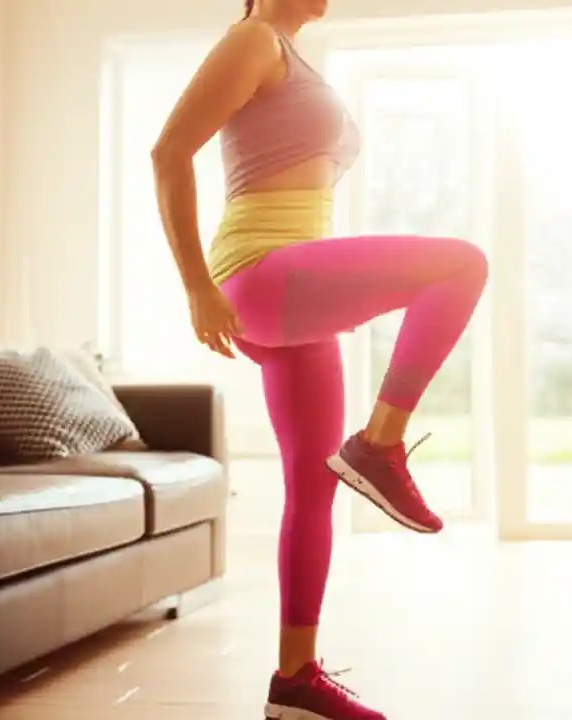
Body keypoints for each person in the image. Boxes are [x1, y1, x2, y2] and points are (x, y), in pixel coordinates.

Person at [151, 1, 488, 717]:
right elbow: (169, 151)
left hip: (288, 288)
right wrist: (195, 288)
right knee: (461, 266)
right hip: (262, 272)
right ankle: (379, 445)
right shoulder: (253, 40)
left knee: (312, 490)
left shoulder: (290, 57)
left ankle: (294, 680)